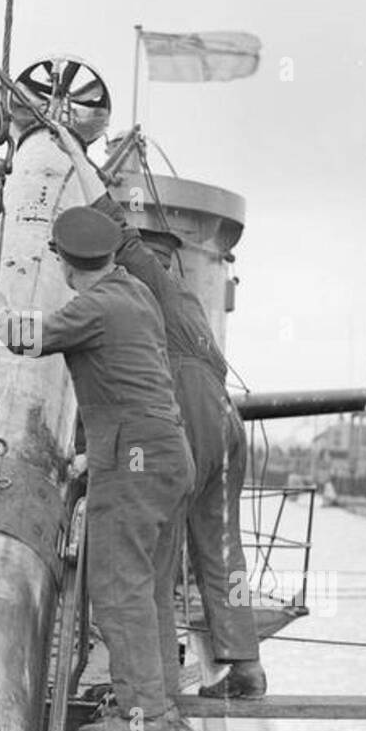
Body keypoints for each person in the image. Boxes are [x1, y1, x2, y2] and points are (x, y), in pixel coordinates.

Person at [55, 127, 266, 700]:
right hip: (227, 422)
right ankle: (244, 664)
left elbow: (116, 233)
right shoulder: (186, 300)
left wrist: (77, 155)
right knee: (223, 547)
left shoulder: (141, 284)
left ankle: (157, 691)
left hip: (187, 418)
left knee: (157, 557)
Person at [0, 205, 194, 731]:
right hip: (170, 455)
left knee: (119, 585)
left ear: (67, 265)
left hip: (132, 461)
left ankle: (142, 713)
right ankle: (159, 699)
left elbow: (28, 340)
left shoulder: (94, 305)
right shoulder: (135, 294)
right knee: (151, 586)